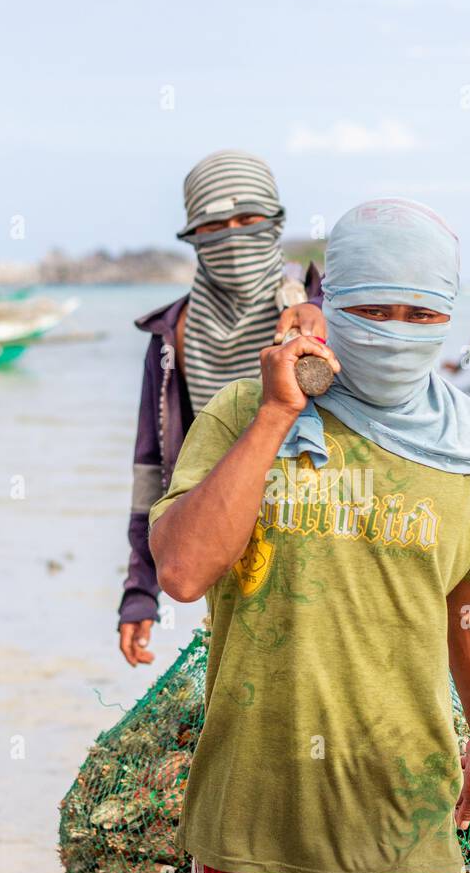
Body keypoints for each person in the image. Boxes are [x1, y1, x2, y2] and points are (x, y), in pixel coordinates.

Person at [148, 199, 470, 873]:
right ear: (330, 299)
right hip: (258, 809)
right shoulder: (250, 410)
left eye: (422, 315)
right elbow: (184, 570)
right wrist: (278, 411)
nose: (397, 335)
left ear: (450, 315)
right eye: (374, 310)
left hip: (406, 812)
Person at [118, 150, 324, 666]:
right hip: (229, 553)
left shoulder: (326, 306)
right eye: (214, 225)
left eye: (248, 221)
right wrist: (142, 588)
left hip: (329, 541)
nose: (232, 236)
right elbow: (153, 472)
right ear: (193, 237)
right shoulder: (173, 337)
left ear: (276, 223)